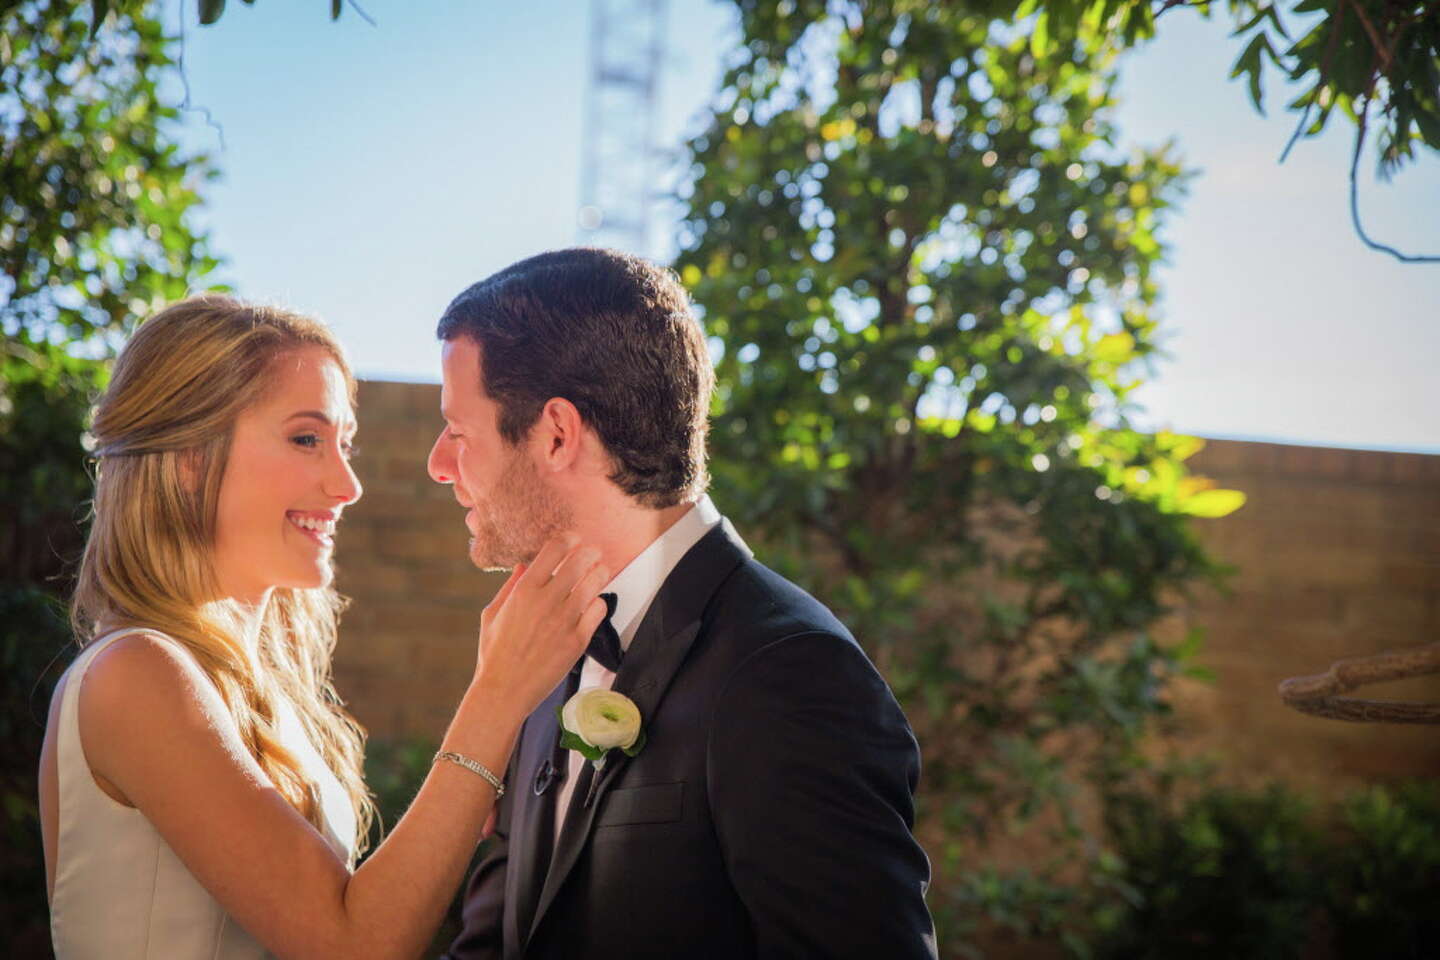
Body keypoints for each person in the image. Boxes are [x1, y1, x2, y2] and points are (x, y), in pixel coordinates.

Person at [37, 296, 609, 960]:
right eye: (307, 439)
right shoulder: (134, 675)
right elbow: (353, 944)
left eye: (345, 444)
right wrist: (497, 695)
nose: (348, 484)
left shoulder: (250, 690)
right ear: (190, 457)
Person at [431, 248, 938, 959]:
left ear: (557, 434)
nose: (438, 464)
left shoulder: (792, 671)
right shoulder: (538, 657)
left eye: (458, 432)